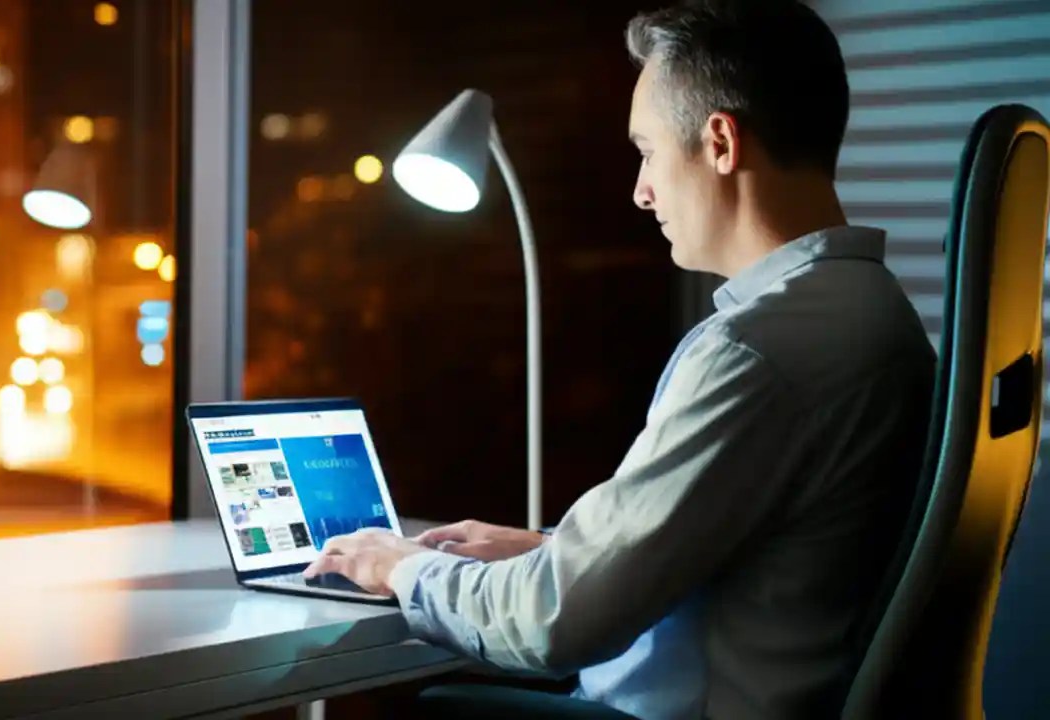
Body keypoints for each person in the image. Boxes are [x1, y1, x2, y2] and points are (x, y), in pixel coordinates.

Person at [303, 1, 937, 718]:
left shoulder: (760, 352)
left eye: (648, 151)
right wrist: (550, 547)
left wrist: (406, 567)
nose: (641, 192)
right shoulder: (873, 311)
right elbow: (750, 541)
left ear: (720, 142)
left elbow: (554, 622)